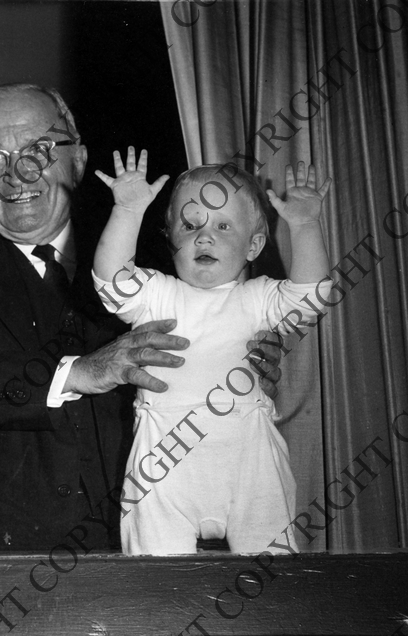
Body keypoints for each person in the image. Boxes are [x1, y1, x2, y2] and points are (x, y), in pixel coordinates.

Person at [0, 84, 283, 552]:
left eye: (38, 150)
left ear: (79, 160)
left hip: (136, 555)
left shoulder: (171, 261)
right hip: (0, 565)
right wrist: (78, 371)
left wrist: (251, 355)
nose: (16, 175)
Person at [92, 150, 331, 554]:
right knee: (156, 582)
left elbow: (311, 298)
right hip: (162, 463)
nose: (205, 236)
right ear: (170, 237)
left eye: (223, 226)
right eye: (191, 225)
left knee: (271, 577)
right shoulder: (158, 294)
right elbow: (111, 282)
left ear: (254, 246)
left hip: (248, 460)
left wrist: (305, 226)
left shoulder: (256, 298)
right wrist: (127, 212)